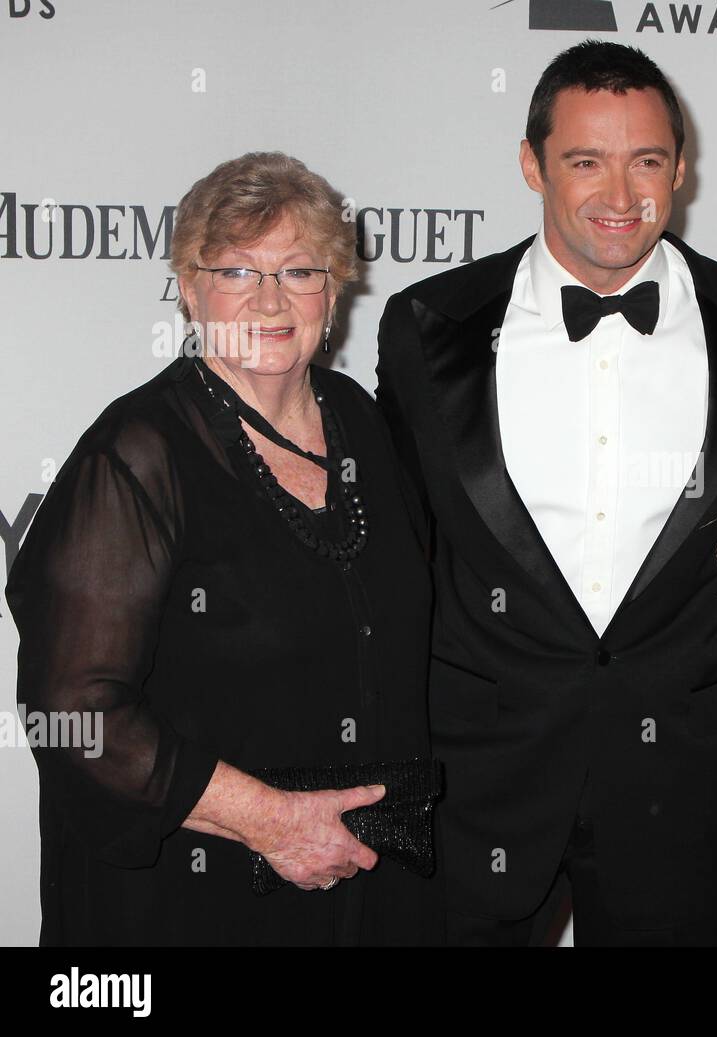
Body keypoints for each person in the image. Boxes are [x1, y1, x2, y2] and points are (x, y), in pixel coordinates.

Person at [376, 40, 717, 946]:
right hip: (476, 778)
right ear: (531, 162)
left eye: (646, 161)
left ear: (682, 170)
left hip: (681, 786)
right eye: (586, 161)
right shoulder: (428, 327)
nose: (621, 196)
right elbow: (393, 557)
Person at [6, 152, 438, 945]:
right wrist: (272, 822)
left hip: (369, 891)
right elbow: (74, 712)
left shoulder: (365, 424)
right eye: (237, 270)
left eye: (300, 269)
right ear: (188, 285)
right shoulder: (136, 454)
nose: (270, 299)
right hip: (193, 898)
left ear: (334, 290)